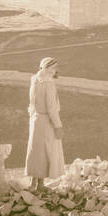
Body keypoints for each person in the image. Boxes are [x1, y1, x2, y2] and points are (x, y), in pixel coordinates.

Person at [25, 57, 65, 189]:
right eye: (54, 68)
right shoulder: (49, 84)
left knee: (36, 151)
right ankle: (39, 184)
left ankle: (34, 183)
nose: (56, 71)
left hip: (35, 119)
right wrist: (58, 126)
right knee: (45, 151)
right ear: (47, 68)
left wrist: (33, 116)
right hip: (46, 121)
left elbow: (31, 102)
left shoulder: (34, 80)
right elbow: (52, 109)